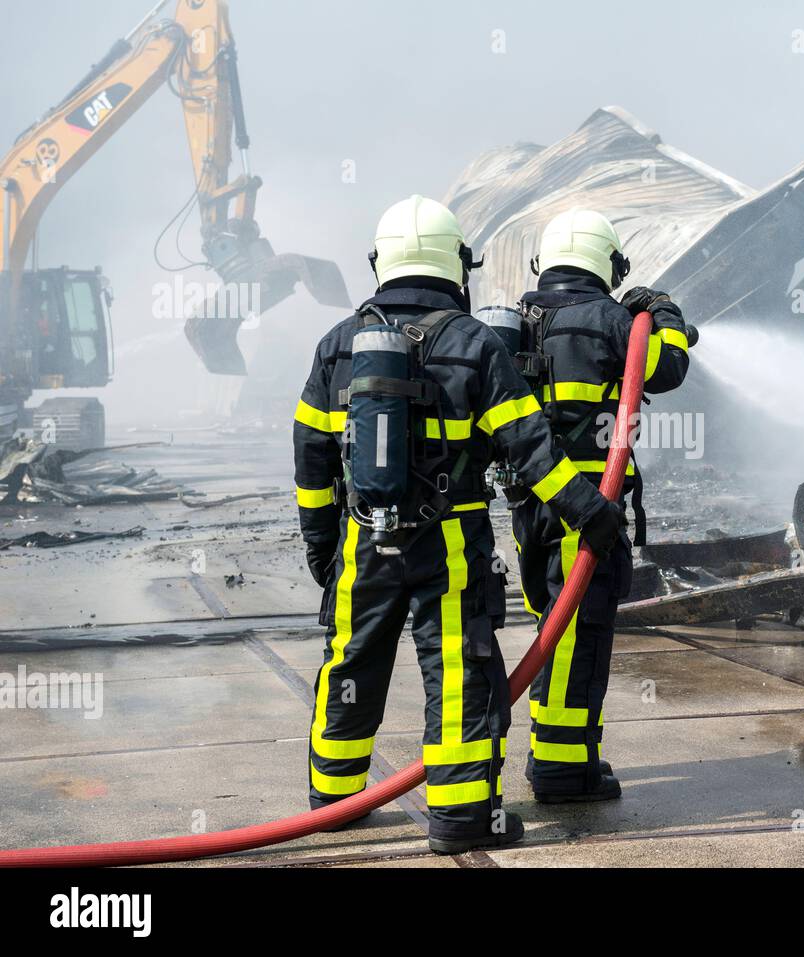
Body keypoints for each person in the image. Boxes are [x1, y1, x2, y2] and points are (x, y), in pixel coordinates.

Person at [292, 195, 622, 853]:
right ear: (456, 266)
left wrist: (325, 549)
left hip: (363, 545)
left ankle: (334, 798)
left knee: (351, 662)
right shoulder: (472, 344)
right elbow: (532, 450)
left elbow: (310, 461)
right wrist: (590, 513)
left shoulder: (337, 347)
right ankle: (464, 818)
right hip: (448, 547)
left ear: (379, 262)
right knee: (461, 672)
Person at [511, 208, 695, 803]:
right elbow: (668, 364)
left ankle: (563, 753)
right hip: (591, 507)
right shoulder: (615, 320)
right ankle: (563, 770)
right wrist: (662, 308)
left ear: (546, 262)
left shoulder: (517, 321)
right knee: (579, 631)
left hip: (530, 503)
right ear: (609, 265)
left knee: (553, 622)